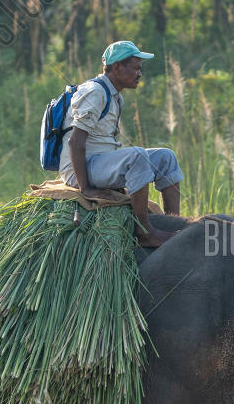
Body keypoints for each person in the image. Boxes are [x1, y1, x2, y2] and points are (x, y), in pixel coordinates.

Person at [61, 40, 182, 248]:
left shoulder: (115, 97)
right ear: (117, 67)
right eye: (135, 68)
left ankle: (173, 223)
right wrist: (85, 188)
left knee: (166, 157)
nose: (139, 74)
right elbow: (75, 142)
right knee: (137, 155)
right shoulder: (95, 92)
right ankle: (144, 232)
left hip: (100, 163)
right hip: (81, 168)